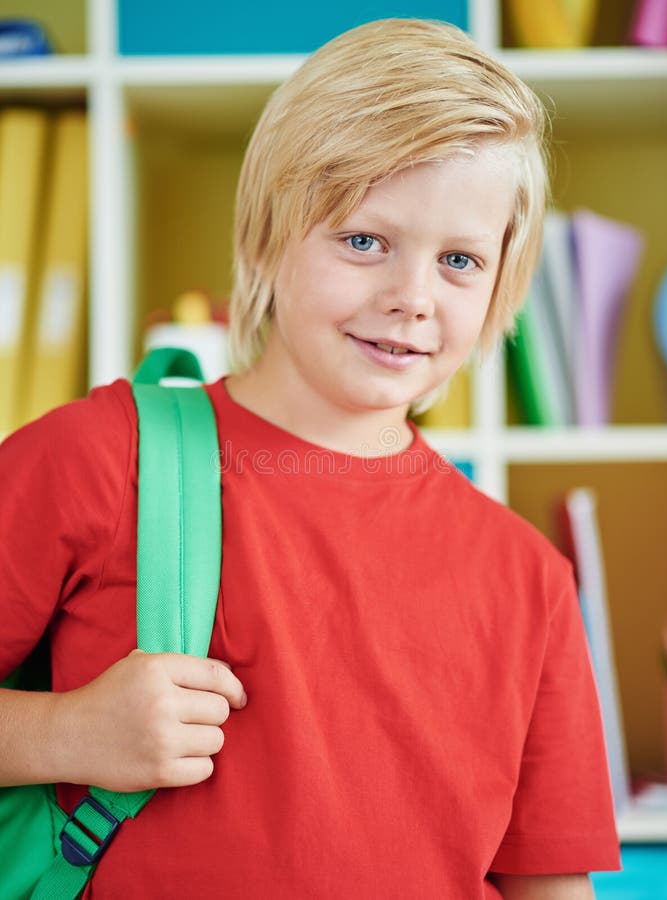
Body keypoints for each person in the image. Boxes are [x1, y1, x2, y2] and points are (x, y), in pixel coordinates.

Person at [0, 17, 621, 899]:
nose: (411, 298)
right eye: (363, 240)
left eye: (459, 260)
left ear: (499, 292)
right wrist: (61, 734)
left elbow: (548, 885)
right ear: (263, 238)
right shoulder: (97, 459)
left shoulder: (530, 578)